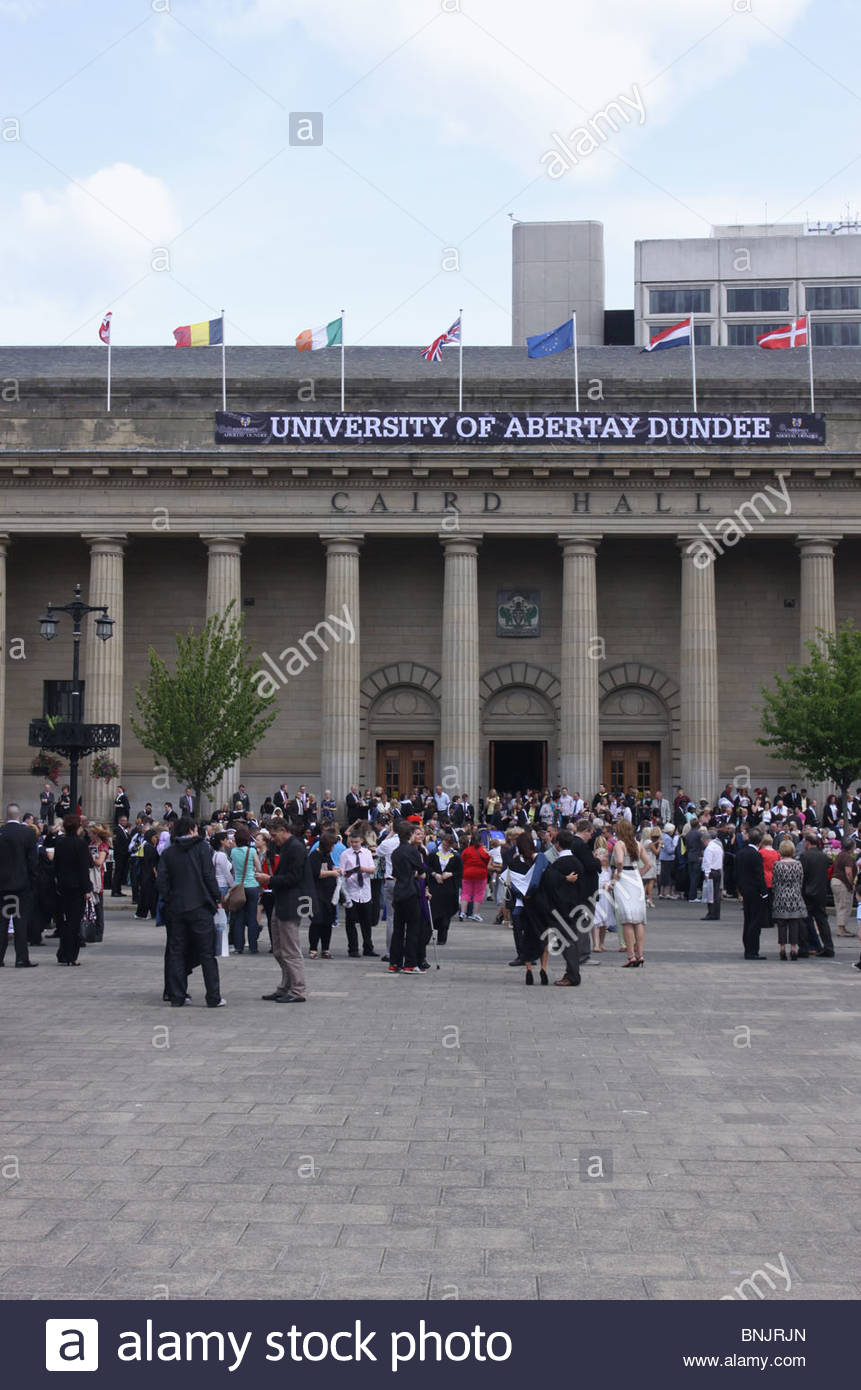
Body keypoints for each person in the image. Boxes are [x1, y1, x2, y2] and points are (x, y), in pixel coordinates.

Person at [156, 817, 224, 1008]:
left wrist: (170, 898)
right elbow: (209, 876)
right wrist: (216, 898)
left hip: (177, 908)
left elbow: (161, 882)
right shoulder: (202, 849)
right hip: (200, 906)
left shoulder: (169, 853)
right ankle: (213, 996)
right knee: (207, 954)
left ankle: (177, 996)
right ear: (193, 830)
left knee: (176, 952)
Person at [260, 820, 312, 1002]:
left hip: (291, 902)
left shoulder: (295, 847)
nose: (272, 840)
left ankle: (298, 990)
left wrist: (269, 879)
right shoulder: (288, 846)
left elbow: (294, 878)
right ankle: (285, 986)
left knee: (290, 949)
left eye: (274, 836)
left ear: (283, 830)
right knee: (278, 949)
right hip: (282, 901)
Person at [0, 803, 39, 968]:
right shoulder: (28, 833)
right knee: (20, 922)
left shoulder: (1, 833)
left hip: (2, 885)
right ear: (19, 816)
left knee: (1, 922)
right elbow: (32, 861)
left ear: (6, 816)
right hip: (22, 885)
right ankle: (21, 958)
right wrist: (33, 881)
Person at [52, 814, 91, 966]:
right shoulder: (80, 844)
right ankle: (70, 955)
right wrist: (87, 889)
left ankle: (63, 952)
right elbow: (83, 869)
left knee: (65, 921)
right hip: (77, 887)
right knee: (74, 922)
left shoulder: (60, 842)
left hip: (62, 886)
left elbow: (56, 865)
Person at [611, 817, 650, 967]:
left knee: (626, 919)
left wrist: (618, 874)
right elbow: (648, 863)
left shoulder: (619, 844)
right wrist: (639, 874)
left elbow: (619, 861)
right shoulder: (638, 844)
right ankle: (640, 954)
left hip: (624, 880)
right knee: (638, 920)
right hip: (635, 878)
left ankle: (631, 956)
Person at [389, 823, 425, 974]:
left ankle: (394, 962)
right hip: (410, 891)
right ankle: (410, 963)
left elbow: (395, 874)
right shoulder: (412, 851)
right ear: (409, 834)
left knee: (398, 929)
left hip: (398, 892)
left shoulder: (395, 852)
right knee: (412, 928)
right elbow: (421, 869)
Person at [339, 831, 378, 957]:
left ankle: (368, 947)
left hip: (365, 891)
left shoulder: (366, 853)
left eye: (357, 842)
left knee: (366, 922)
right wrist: (349, 872)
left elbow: (372, 869)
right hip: (352, 891)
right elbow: (342, 872)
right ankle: (353, 948)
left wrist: (362, 868)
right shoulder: (345, 854)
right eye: (352, 842)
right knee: (351, 922)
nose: (355, 844)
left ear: (361, 841)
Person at [734, 827, 769, 960]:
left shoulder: (740, 853)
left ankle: (748, 947)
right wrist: (764, 893)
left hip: (745, 890)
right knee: (755, 921)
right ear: (759, 842)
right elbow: (759, 875)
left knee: (747, 920)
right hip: (755, 892)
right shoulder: (756, 855)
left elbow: (736, 874)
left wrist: (739, 890)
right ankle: (752, 950)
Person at [800, 831, 835, 958]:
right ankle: (828, 947)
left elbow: (802, 875)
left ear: (808, 843)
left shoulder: (804, 856)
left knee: (804, 920)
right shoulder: (823, 857)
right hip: (820, 892)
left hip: (807, 893)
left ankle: (804, 948)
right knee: (822, 920)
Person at [771, 839, 808, 960]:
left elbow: (774, 882)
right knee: (794, 924)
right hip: (795, 897)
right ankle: (793, 948)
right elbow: (801, 881)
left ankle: (782, 948)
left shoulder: (777, 864)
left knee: (781, 924)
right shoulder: (798, 864)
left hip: (781, 896)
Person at [229, 825, 262, 954]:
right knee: (252, 916)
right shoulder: (252, 851)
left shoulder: (233, 852)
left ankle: (239, 946)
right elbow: (258, 868)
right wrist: (253, 869)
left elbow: (233, 867)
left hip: (238, 886)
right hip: (252, 885)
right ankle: (253, 946)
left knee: (238, 918)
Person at [426, 829, 462, 945]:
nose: (446, 847)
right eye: (444, 844)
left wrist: (450, 874)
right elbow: (427, 868)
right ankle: (427, 936)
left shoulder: (455, 856)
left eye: (448, 845)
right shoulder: (434, 854)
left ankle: (442, 937)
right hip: (435, 887)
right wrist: (435, 874)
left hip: (449, 888)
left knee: (446, 914)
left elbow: (460, 872)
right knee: (433, 912)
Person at [308, 828, 340, 958]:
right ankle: (313, 948)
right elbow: (317, 873)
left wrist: (335, 869)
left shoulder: (327, 855)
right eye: (332, 845)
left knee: (328, 921)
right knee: (317, 921)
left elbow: (328, 867)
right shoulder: (314, 856)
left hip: (328, 894)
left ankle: (326, 948)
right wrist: (332, 873)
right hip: (317, 893)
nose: (333, 848)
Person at [458, 830, 490, 922]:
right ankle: (475, 914)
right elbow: (488, 861)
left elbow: (462, 861)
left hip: (467, 874)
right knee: (478, 894)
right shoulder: (484, 851)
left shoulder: (466, 850)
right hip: (481, 874)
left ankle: (463, 913)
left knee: (465, 893)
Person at [830, 836, 857, 938]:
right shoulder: (848, 857)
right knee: (844, 905)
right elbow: (848, 872)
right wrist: (851, 883)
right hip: (842, 882)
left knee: (839, 904)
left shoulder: (840, 855)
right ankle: (841, 929)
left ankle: (842, 927)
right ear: (852, 847)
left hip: (835, 881)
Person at [701, 828, 724, 920]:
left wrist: (706, 874)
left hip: (711, 872)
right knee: (716, 894)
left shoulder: (709, 849)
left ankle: (711, 913)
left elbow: (707, 862)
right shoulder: (718, 847)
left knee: (710, 894)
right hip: (718, 871)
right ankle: (716, 913)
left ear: (706, 840)